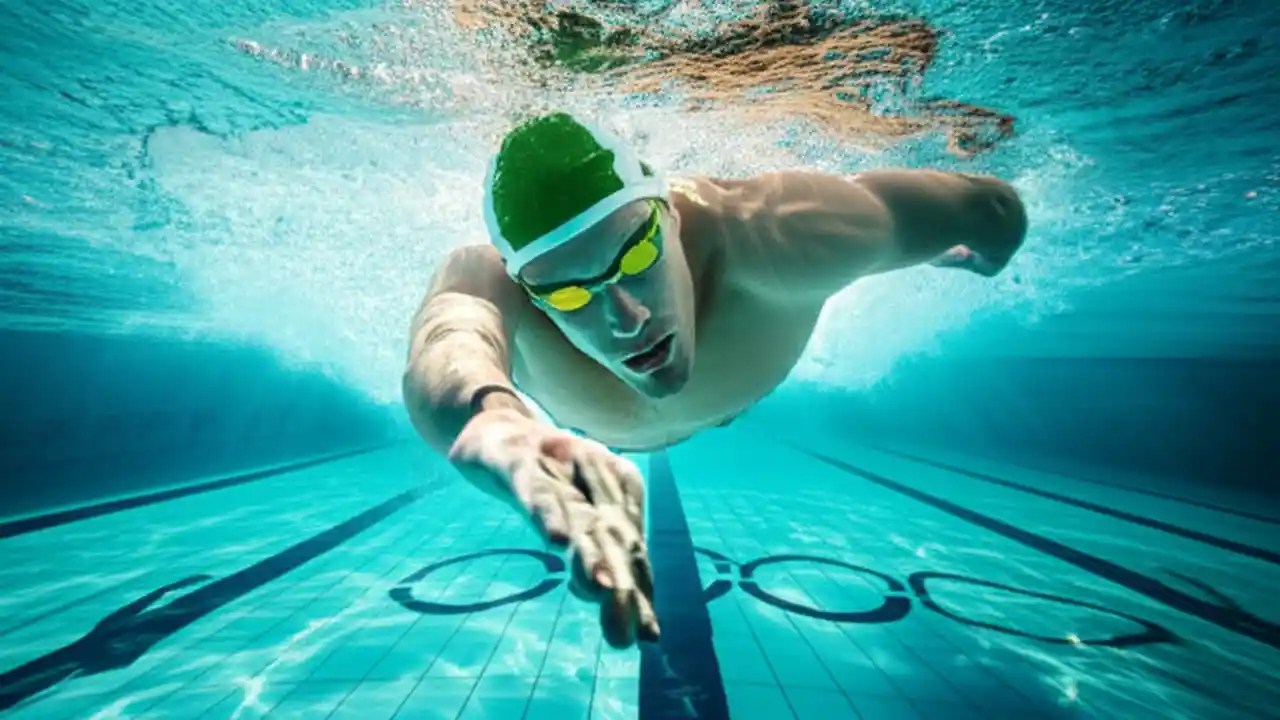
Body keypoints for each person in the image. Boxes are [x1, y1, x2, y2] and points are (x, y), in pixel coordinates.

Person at [402, 112, 1027, 649]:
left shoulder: (783, 234)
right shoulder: (491, 281)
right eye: (569, 292)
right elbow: (450, 340)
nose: (627, 317)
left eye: (638, 255)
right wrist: (497, 426)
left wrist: (981, 260)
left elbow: (992, 207)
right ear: (531, 291)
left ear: (670, 214)